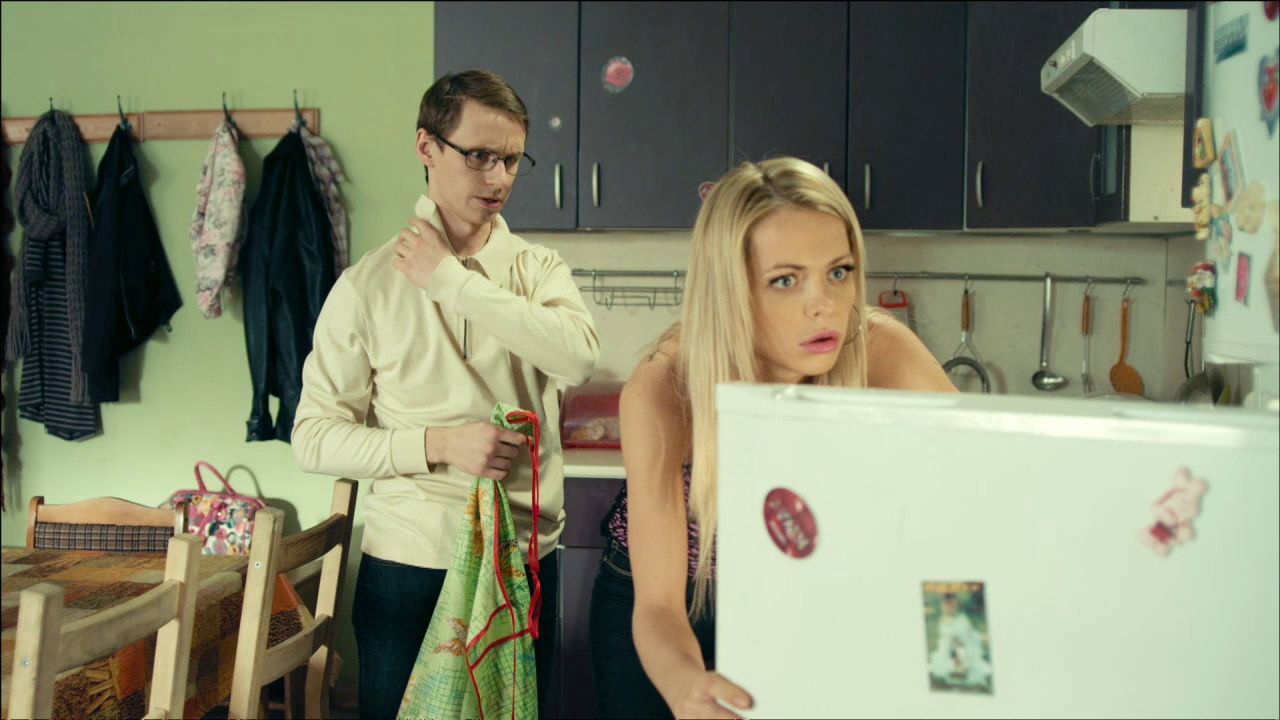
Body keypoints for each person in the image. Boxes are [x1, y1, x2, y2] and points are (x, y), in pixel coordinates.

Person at [589, 157, 956, 719]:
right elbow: (658, 605)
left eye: (839, 272)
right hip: (670, 609)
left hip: (794, 602)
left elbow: (972, 505)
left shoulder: (882, 351)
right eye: (786, 280)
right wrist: (686, 687)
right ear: (730, 291)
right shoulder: (666, 388)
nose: (824, 304)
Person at [291, 69, 600, 719]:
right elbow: (313, 439)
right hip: (411, 562)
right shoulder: (366, 286)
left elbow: (577, 357)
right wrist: (436, 444)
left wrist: (449, 280)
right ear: (426, 147)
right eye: (480, 155)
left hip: (523, 560)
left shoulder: (538, 270)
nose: (499, 178)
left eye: (512, 160)